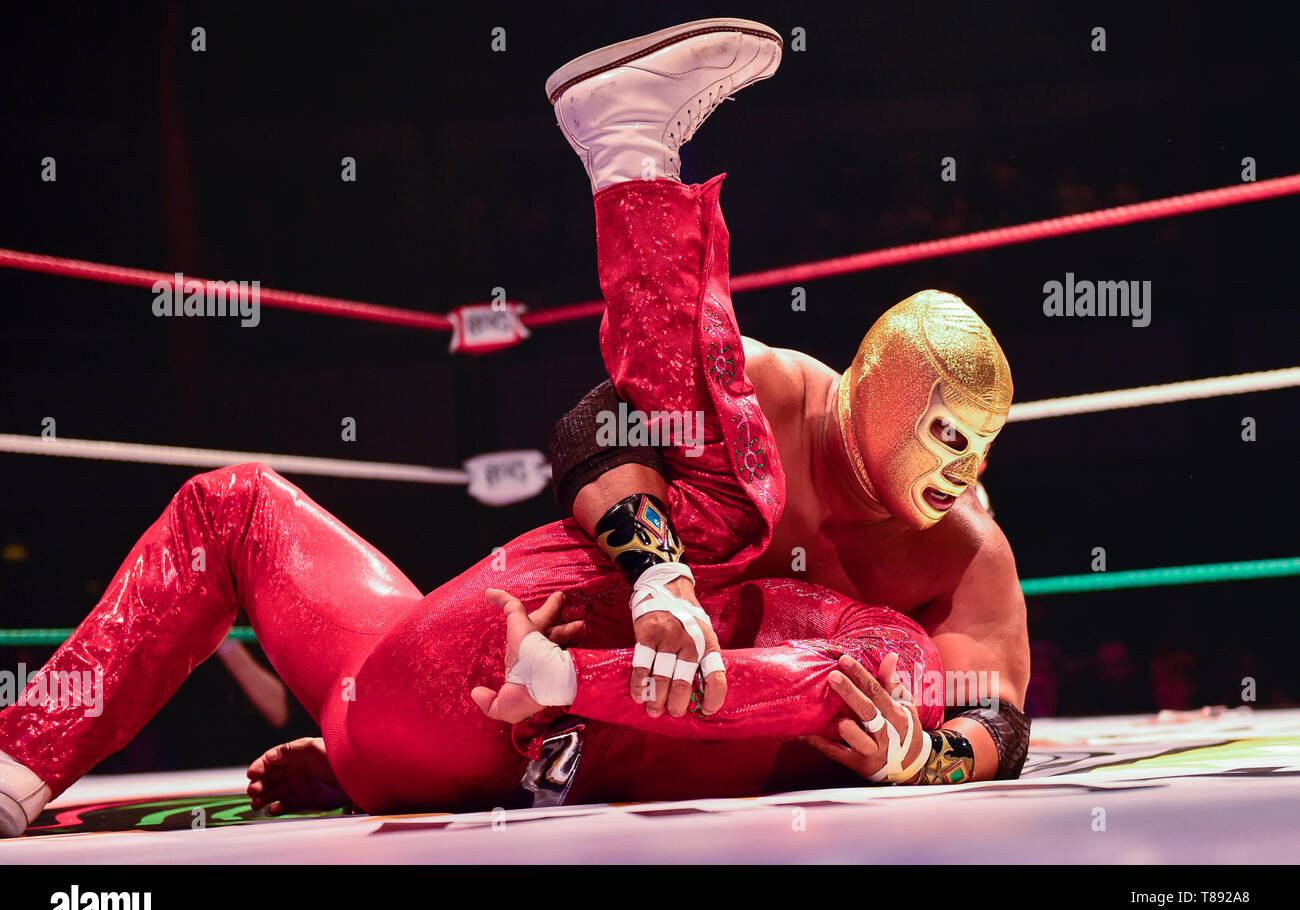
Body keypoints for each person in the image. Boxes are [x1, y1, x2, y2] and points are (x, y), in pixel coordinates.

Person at [0, 18, 1025, 837]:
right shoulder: (766, 398)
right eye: (946, 432)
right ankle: (17, 761)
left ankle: (629, 153)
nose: (966, 466)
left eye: (982, 440)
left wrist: (927, 757)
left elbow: (998, 713)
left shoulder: (964, 549)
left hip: (496, 716)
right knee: (237, 505)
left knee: (760, 555)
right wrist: (658, 574)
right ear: (879, 395)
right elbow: (590, 425)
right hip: (489, 690)